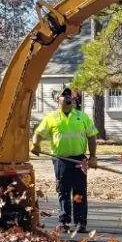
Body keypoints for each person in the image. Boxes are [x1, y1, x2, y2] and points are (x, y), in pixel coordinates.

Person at [31, 87, 98, 233]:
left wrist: (93, 157)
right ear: (58, 101)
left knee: (79, 192)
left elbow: (92, 136)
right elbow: (38, 133)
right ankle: (64, 222)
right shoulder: (51, 118)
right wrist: (36, 144)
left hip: (79, 160)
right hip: (60, 160)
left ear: (74, 101)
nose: (68, 99)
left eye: (70, 97)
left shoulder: (82, 117)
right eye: (64, 97)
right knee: (63, 191)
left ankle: (80, 223)